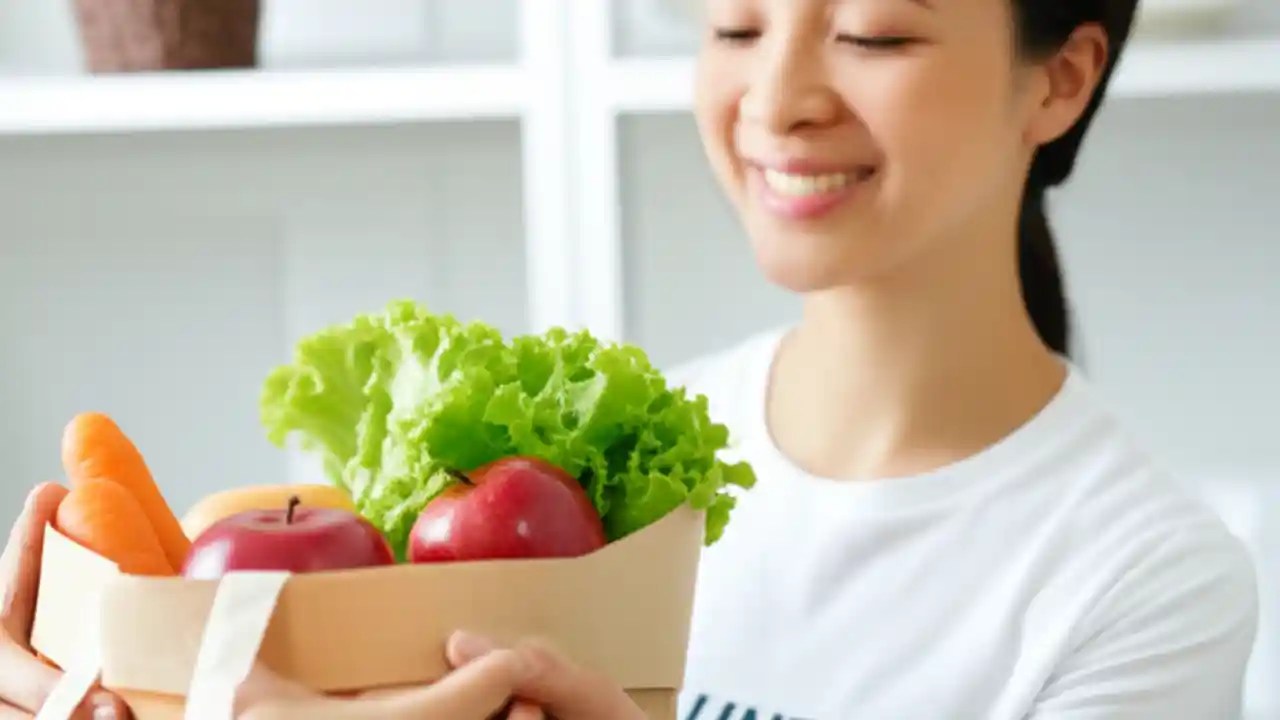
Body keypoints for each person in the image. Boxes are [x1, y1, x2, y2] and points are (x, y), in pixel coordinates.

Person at [3, 0, 1260, 716]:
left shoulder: (1141, 577)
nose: (775, 100)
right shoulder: (589, 472)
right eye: (735, 22)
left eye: (874, 33)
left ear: (1059, 80)